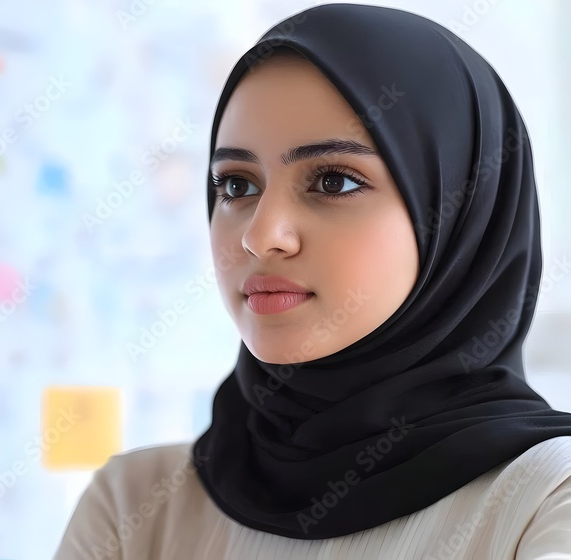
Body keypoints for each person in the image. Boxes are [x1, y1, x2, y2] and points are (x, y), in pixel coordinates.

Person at [53, 3, 571, 559]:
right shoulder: (135, 506)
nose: (260, 235)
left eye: (332, 180)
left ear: (461, 212)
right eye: (236, 186)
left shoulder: (545, 499)